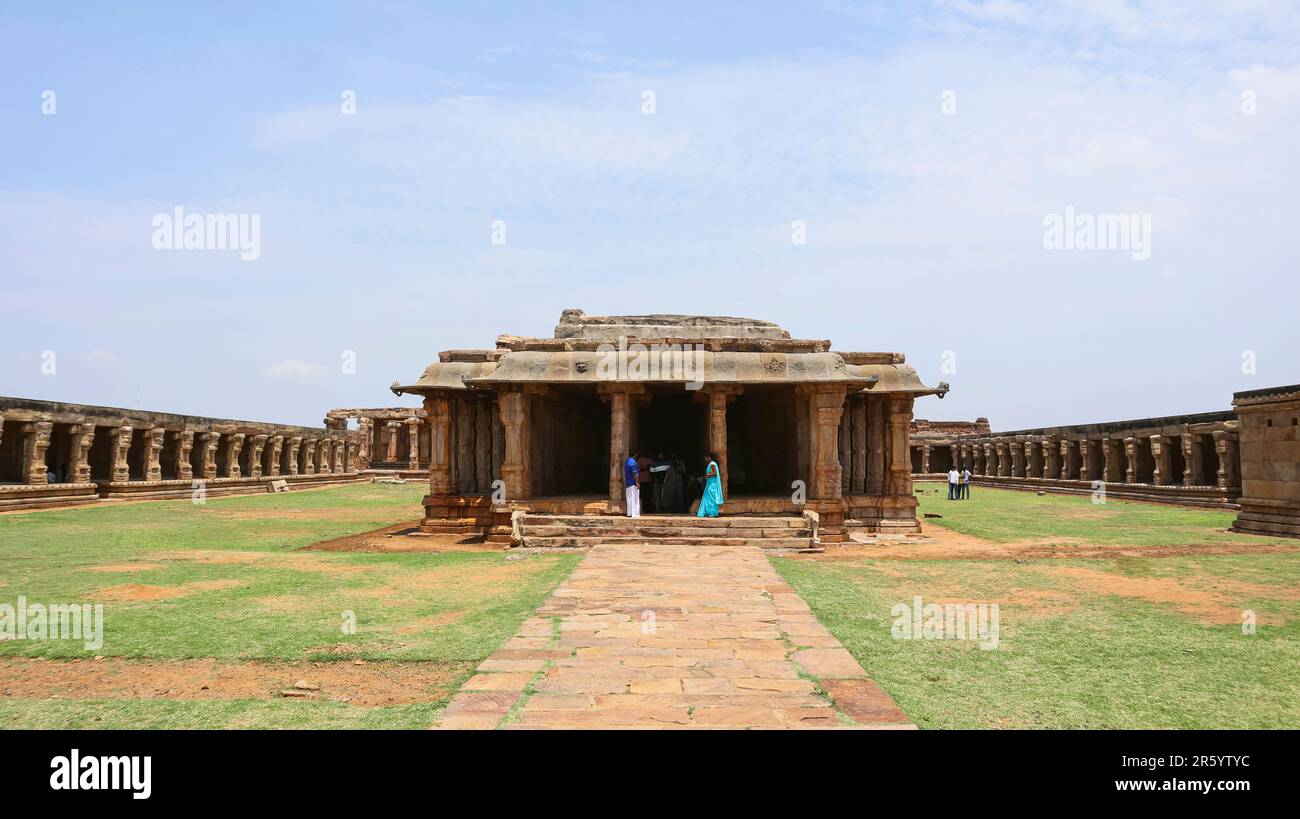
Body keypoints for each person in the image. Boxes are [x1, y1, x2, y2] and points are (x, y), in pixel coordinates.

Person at [697, 451, 724, 518]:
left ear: (709, 457)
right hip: (710, 483)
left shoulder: (712, 464)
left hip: (712, 484)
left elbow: (715, 473)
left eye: (706, 458)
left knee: (711, 498)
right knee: (709, 498)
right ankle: (710, 512)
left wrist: (707, 475)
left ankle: (712, 513)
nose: (705, 459)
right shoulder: (712, 464)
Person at [623, 448, 641, 518]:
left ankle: (630, 513)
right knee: (634, 499)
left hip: (628, 483)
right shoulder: (633, 462)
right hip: (633, 483)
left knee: (630, 499)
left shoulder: (627, 461)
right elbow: (635, 473)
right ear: (636, 454)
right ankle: (634, 514)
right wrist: (637, 483)